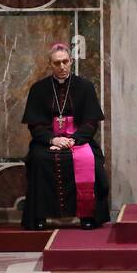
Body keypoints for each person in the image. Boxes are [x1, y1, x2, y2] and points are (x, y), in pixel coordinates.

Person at [21, 43, 111, 230]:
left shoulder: (85, 87)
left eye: (65, 62)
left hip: (78, 139)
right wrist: (53, 139)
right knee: (39, 159)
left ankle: (87, 215)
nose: (61, 67)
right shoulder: (38, 88)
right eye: (57, 63)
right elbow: (35, 124)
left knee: (90, 160)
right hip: (48, 140)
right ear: (50, 64)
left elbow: (90, 122)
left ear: (71, 62)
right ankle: (40, 216)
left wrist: (73, 140)